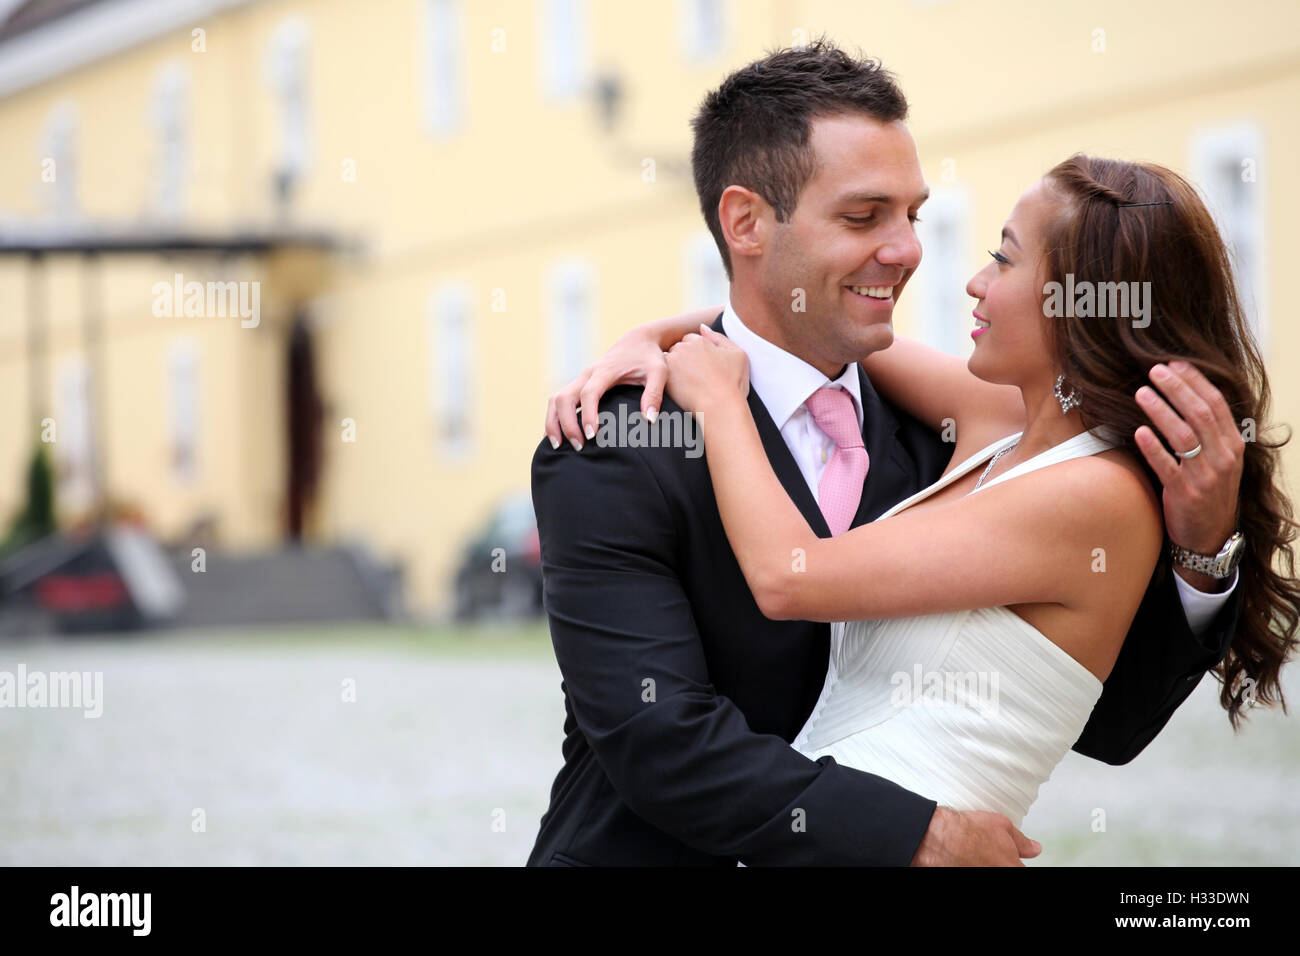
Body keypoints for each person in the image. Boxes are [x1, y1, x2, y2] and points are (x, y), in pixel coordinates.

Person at [528, 42, 1259, 867]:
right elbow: (657, 735)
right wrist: (916, 835)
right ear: (745, 224)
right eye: (864, 216)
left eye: (913, 214)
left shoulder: (951, 442)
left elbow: (1107, 720)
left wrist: (1203, 559)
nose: (913, 251)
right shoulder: (619, 440)